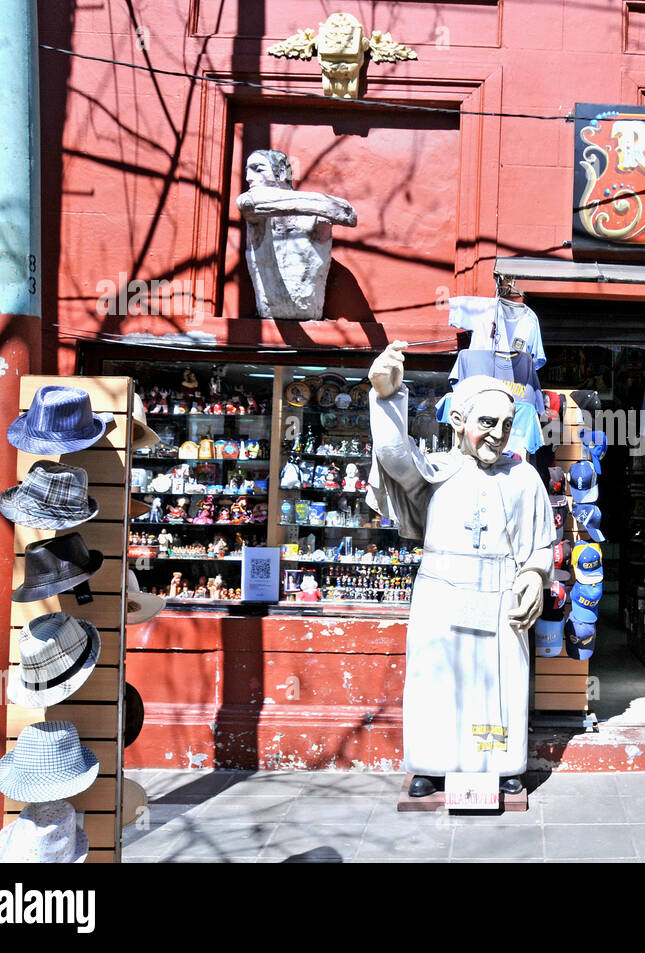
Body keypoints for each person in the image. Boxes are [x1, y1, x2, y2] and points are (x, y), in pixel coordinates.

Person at [366, 341, 555, 798]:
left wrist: (534, 575)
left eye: (507, 425)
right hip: (442, 596)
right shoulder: (437, 471)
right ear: (459, 422)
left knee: (497, 685)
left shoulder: (524, 477)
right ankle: (432, 765)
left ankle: (503, 763)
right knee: (437, 680)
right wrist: (387, 396)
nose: (497, 434)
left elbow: (540, 543)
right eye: (486, 423)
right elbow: (394, 455)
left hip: (498, 597)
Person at [236, 149, 357, 320]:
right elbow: (250, 203)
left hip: (312, 327)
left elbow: (346, 214)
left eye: (258, 169)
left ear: (282, 173)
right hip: (267, 324)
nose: (248, 177)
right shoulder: (254, 214)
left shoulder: (312, 220)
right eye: (247, 170)